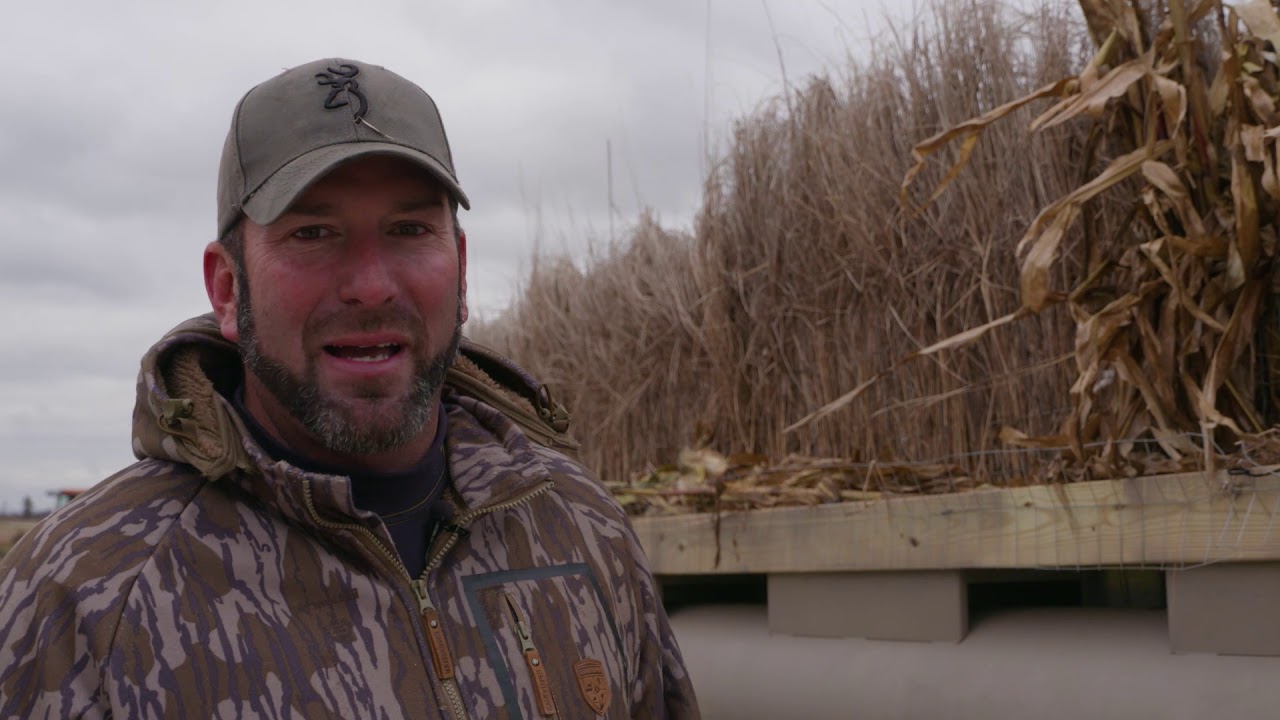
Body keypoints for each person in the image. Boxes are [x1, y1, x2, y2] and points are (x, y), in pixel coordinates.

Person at [0, 57, 699, 719]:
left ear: (459, 269)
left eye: (408, 229)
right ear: (227, 287)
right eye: (313, 233)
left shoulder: (579, 527)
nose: (371, 285)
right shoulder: (86, 597)